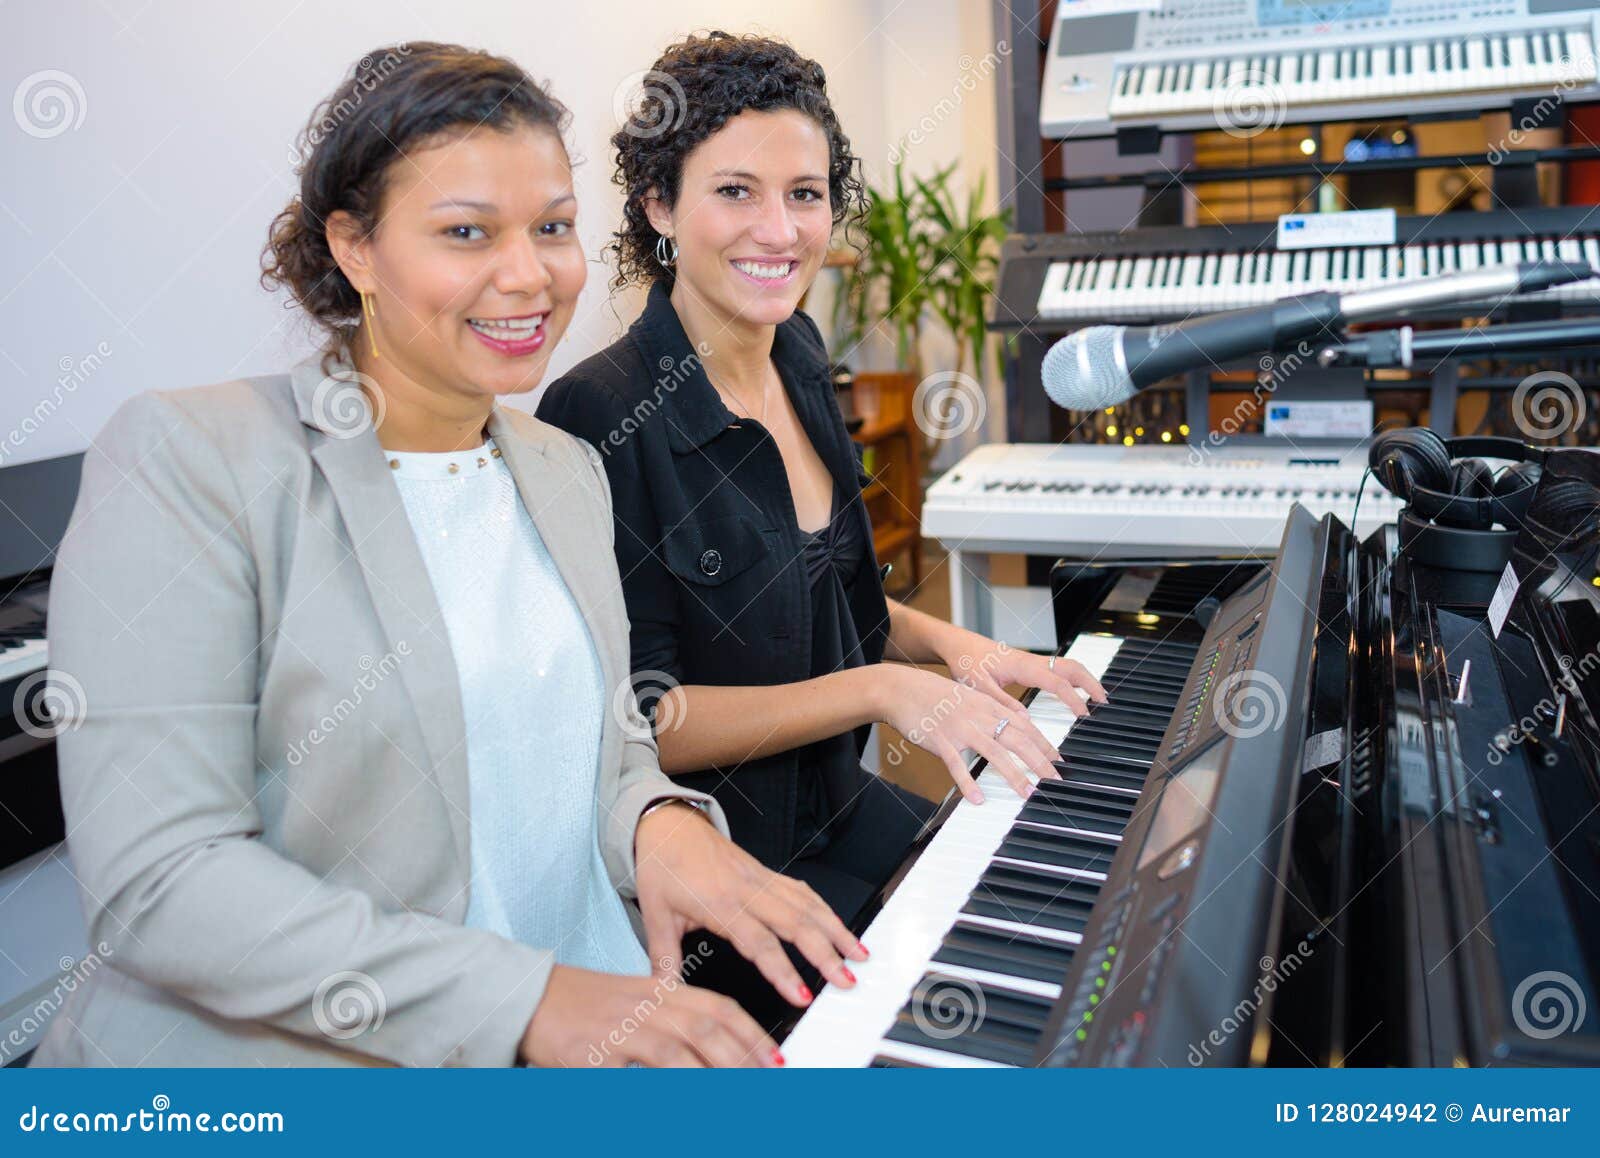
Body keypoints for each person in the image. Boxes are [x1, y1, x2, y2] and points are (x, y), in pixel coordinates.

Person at [30, 42, 864, 1070]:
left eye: (552, 228)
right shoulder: (192, 460)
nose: (528, 274)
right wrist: (528, 1003)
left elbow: (607, 745)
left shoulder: (561, 467)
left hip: (612, 1014)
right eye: (466, 232)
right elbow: (161, 882)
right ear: (356, 249)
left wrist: (660, 824)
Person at [538, 31, 1106, 1027]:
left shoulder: (800, 350)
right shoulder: (597, 414)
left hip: (845, 808)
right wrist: (886, 690)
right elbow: (641, 720)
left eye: (805, 193)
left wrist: (955, 647)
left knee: (1064, 933)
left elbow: (835, 592)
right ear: (659, 207)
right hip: (725, 877)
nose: (779, 228)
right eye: (735, 191)